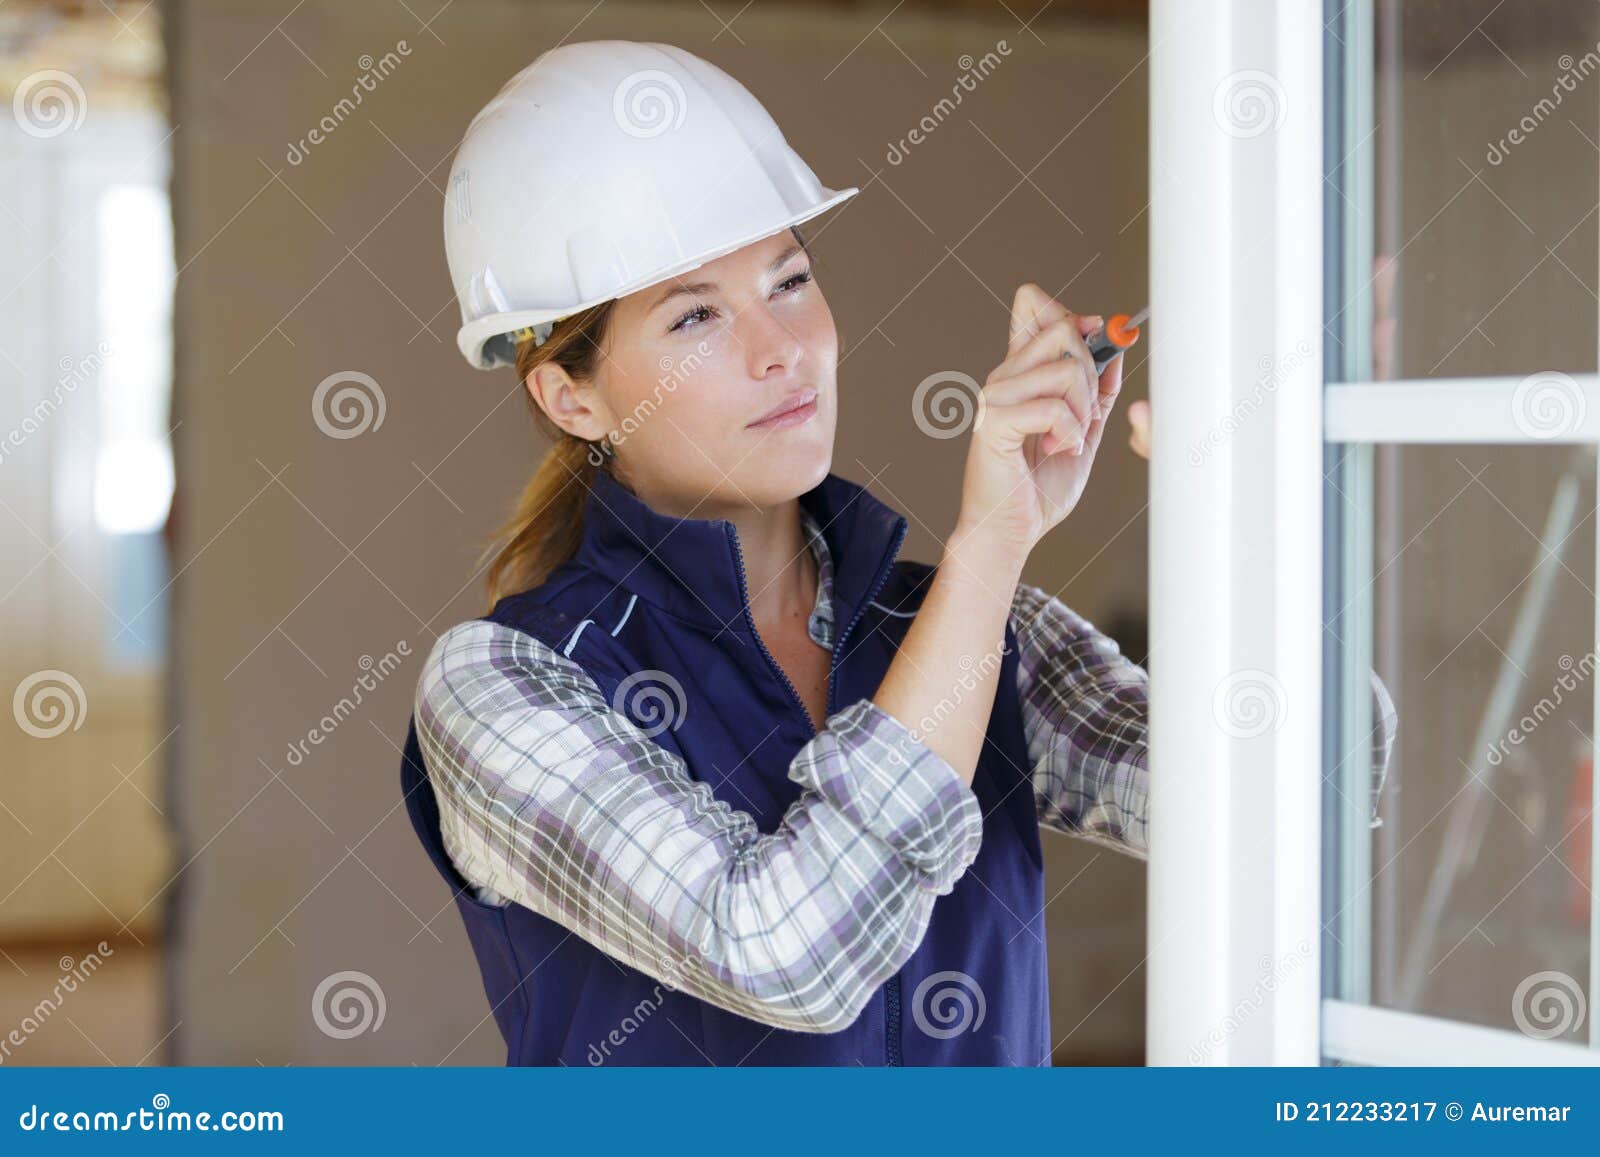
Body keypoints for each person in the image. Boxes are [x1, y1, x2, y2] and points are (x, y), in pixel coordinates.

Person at [398, 40, 1389, 1067]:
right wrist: (992, 540)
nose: (778, 346)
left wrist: (1270, 483)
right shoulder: (506, 685)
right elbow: (786, 955)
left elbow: (1304, 796)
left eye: (788, 279)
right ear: (572, 395)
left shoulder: (967, 626)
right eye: (695, 314)